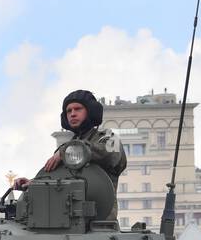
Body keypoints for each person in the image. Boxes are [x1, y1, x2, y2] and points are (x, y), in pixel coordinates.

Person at [14, 89, 127, 218]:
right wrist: (33, 183)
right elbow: (57, 178)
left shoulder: (108, 139)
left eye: (78, 109)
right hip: (66, 222)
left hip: (101, 224)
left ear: (90, 111)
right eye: (69, 111)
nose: (72, 114)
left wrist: (66, 152)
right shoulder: (65, 148)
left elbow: (113, 155)